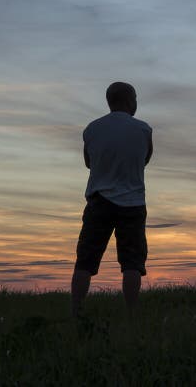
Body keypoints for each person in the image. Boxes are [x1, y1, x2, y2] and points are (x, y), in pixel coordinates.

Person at [71, 82, 153, 318]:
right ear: (130, 101)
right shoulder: (143, 130)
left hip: (99, 202)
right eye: (135, 98)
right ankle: (131, 314)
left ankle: (76, 312)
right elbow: (145, 159)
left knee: (85, 261)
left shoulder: (92, 129)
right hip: (133, 203)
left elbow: (88, 162)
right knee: (132, 263)